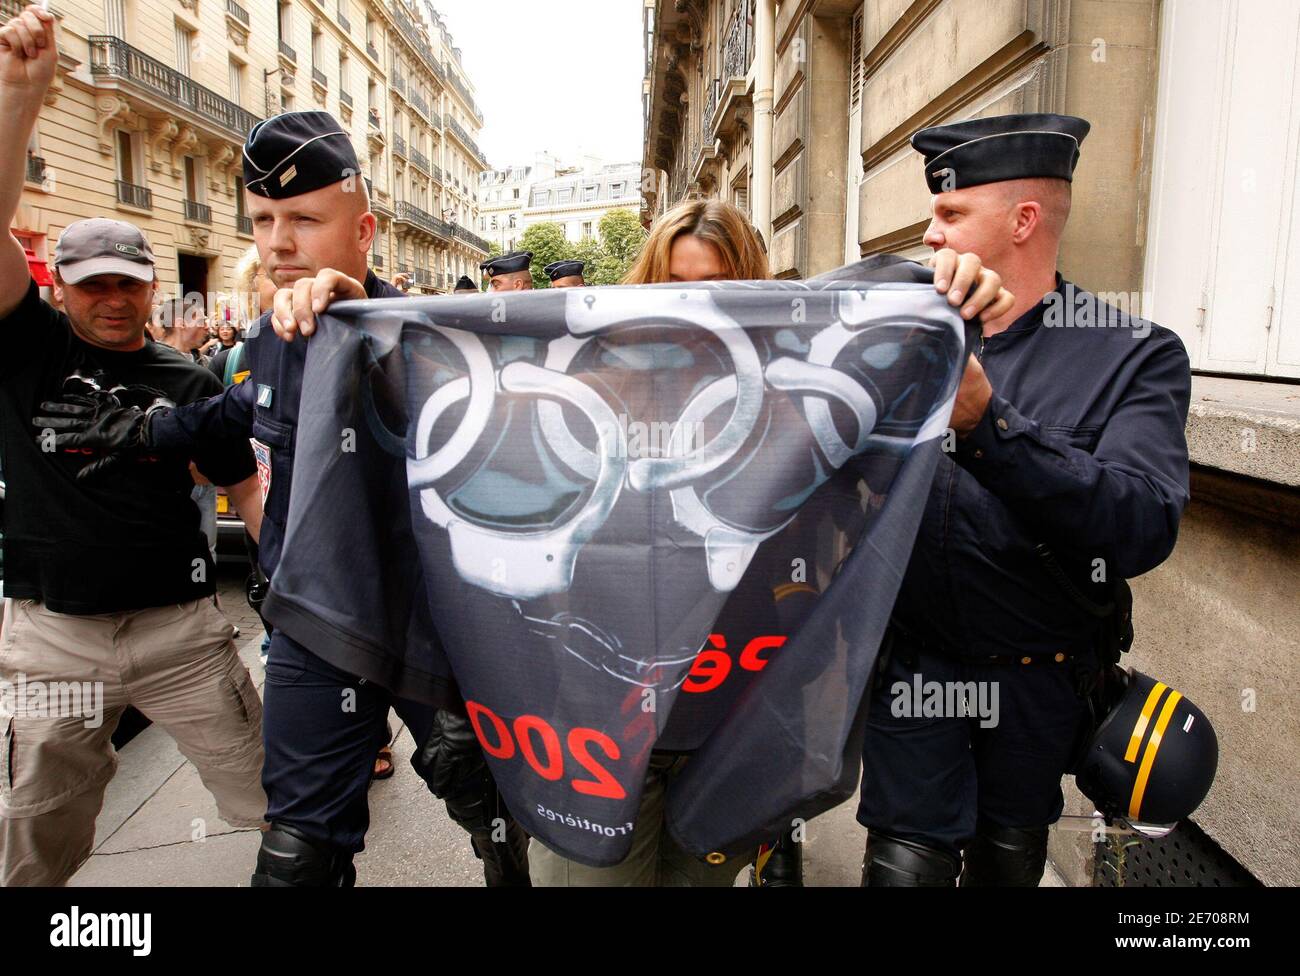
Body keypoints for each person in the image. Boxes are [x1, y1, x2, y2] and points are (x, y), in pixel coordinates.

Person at [42, 107, 530, 887]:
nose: (277, 242)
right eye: (264, 219)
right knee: (298, 852)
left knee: (481, 799)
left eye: (304, 219)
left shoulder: (427, 335)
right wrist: (140, 432)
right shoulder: (273, 333)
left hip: (428, 627)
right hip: (315, 621)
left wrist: (366, 322)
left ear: (363, 230)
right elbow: (239, 413)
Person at [520, 198, 1013, 886]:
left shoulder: (795, 407)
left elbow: (876, 373)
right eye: (674, 290)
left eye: (716, 290)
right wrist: (346, 312)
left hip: (730, 726)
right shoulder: (588, 395)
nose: (693, 312)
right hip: (600, 725)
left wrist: (943, 291)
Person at [856, 113, 1192, 887]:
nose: (930, 235)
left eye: (949, 214)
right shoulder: (910, 330)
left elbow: (1140, 522)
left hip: (1039, 684)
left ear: (1023, 219)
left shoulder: (1133, 354)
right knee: (901, 868)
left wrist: (990, 427)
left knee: (1009, 865)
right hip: (920, 671)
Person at [0, 4, 267, 885]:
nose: (112, 299)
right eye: (93, 285)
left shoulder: (189, 379)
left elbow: (239, 484)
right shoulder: (30, 349)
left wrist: (294, 580)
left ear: (154, 287)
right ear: (64, 289)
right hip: (57, 648)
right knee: (40, 824)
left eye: (129, 283)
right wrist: (21, 100)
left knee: (275, 797)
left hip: (180, 641)